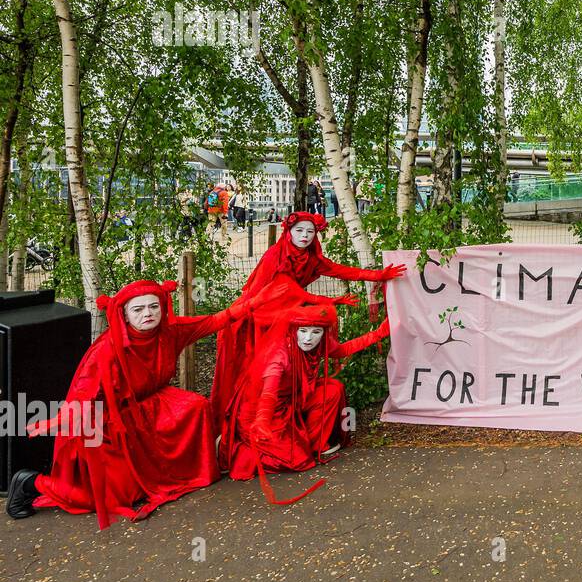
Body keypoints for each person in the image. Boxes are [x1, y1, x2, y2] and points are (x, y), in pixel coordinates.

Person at [5, 281, 257, 528]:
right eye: (138, 309)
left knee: (195, 406)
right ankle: (29, 482)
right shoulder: (108, 349)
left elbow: (214, 321)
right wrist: (60, 419)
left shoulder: (170, 331)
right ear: (124, 314)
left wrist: (256, 301)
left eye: (154, 306)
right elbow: (83, 393)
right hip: (105, 422)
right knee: (101, 499)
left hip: (148, 405)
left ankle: (176, 474)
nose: (148, 313)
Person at [209, 211, 405, 465]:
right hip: (258, 319)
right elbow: (265, 293)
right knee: (261, 375)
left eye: (310, 232)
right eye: (299, 231)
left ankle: (297, 427)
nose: (304, 236)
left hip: (287, 315)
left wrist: (377, 276)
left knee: (298, 371)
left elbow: (341, 271)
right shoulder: (274, 256)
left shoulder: (313, 259)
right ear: (288, 232)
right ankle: (243, 431)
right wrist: (325, 301)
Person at [224, 295, 389, 502]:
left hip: (292, 400)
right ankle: (237, 447)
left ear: (323, 332)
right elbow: (269, 389)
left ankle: (314, 443)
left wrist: (379, 333)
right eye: (302, 331)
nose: (308, 338)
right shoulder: (280, 352)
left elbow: (342, 350)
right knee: (297, 461)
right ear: (294, 330)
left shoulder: (318, 344)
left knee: (333, 388)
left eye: (315, 332)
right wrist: (263, 420)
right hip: (260, 413)